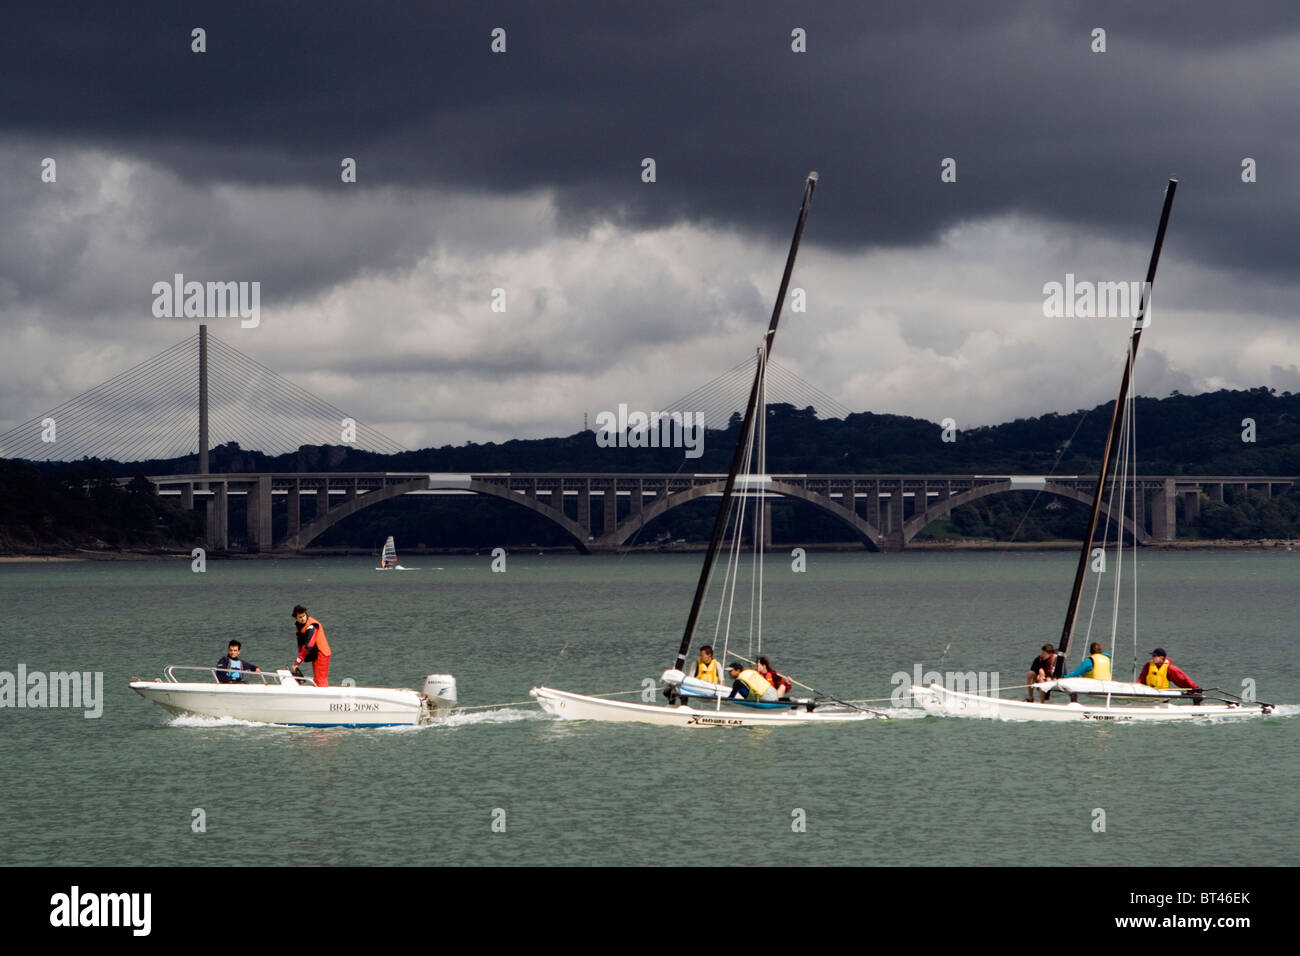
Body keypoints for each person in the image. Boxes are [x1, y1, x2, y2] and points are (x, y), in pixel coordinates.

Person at [291, 604, 332, 687]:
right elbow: (301, 645)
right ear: (296, 618)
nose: (303, 619)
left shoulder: (311, 626)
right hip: (316, 654)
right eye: (300, 617)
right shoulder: (300, 627)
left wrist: (297, 662)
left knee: (320, 680)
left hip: (322, 653)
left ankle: (323, 696)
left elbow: (308, 645)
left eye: (304, 616)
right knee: (317, 679)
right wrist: (298, 660)